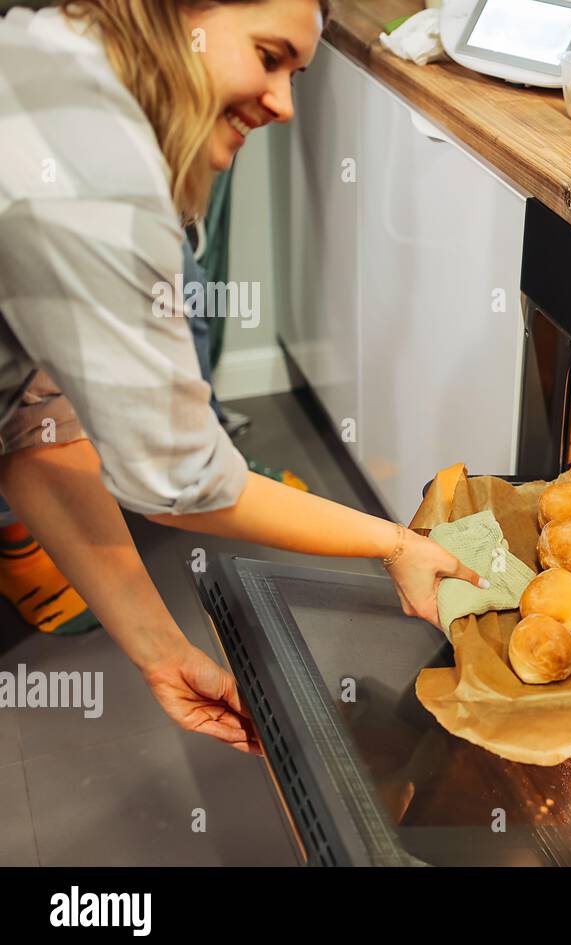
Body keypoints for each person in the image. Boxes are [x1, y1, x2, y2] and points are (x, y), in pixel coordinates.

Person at [0, 0, 489, 754]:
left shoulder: (46, 52)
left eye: (296, 73)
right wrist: (394, 544)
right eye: (268, 56)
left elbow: (35, 433)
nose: (285, 105)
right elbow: (184, 482)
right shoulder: (94, 176)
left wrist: (162, 651)